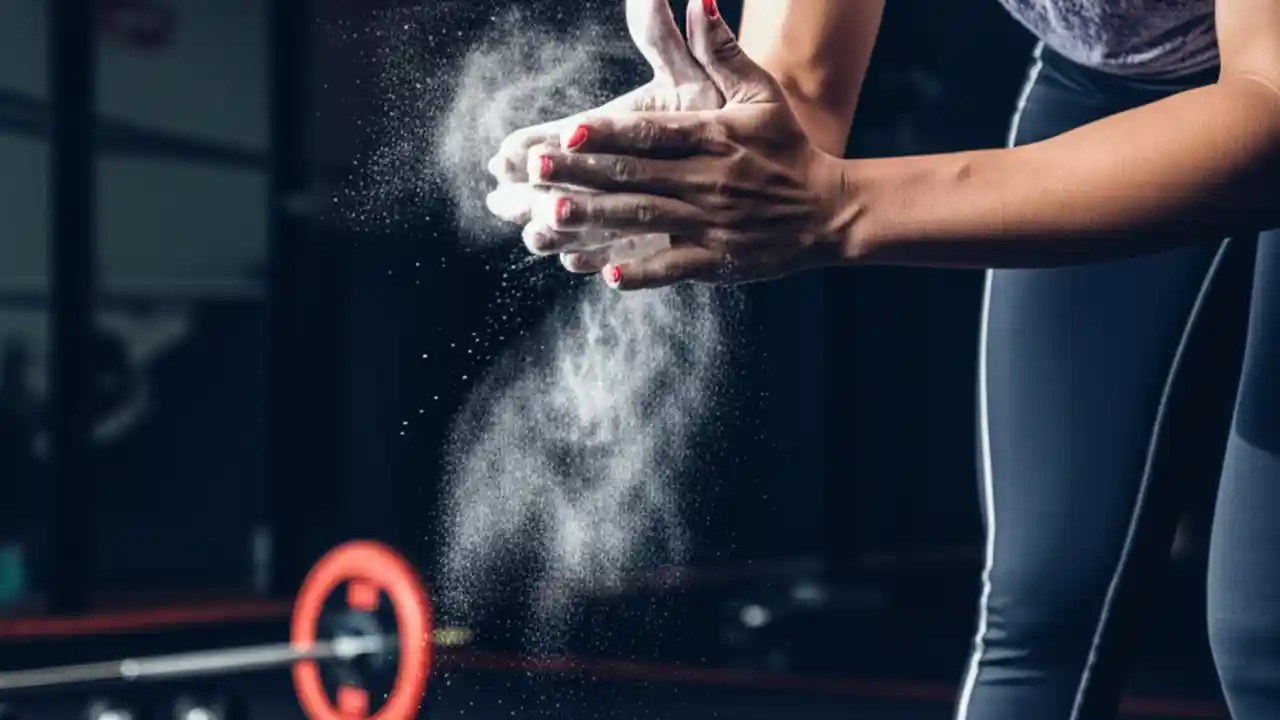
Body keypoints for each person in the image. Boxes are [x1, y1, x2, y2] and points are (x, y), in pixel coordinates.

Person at [487, 1, 1280, 718]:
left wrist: (841, 206)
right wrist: (695, 154)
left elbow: (1271, 112)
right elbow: (795, 92)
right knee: (1043, 613)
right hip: (1110, 73)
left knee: (1261, 633)